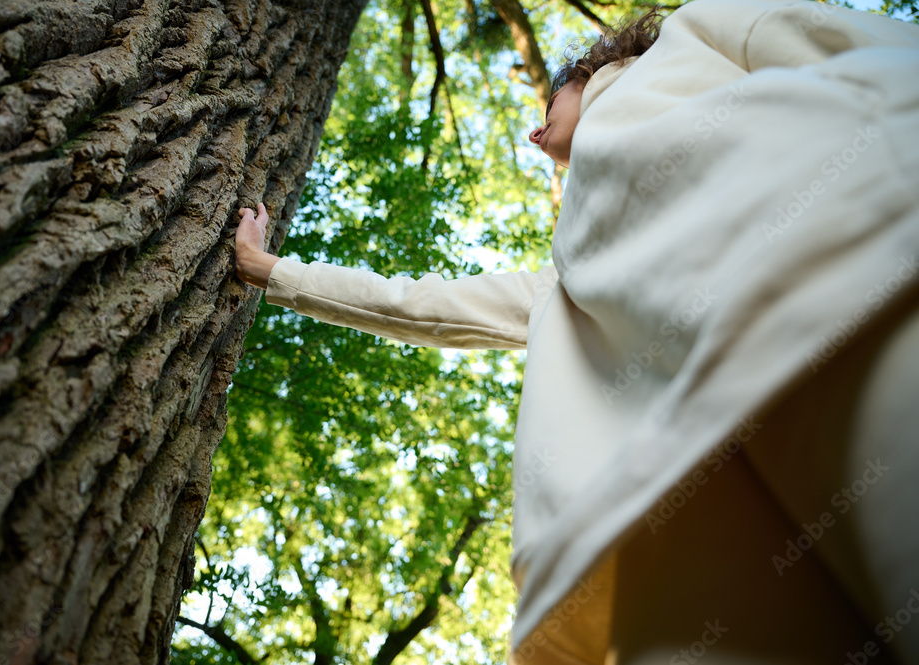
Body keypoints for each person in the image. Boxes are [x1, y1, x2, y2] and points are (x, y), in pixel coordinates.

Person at [236, 0, 919, 662]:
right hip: (686, 511)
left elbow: (849, 48)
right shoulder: (567, 283)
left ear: (588, 74)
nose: (536, 135)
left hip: (866, 264)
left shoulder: (697, 31)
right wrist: (271, 270)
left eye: (545, 110)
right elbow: (420, 304)